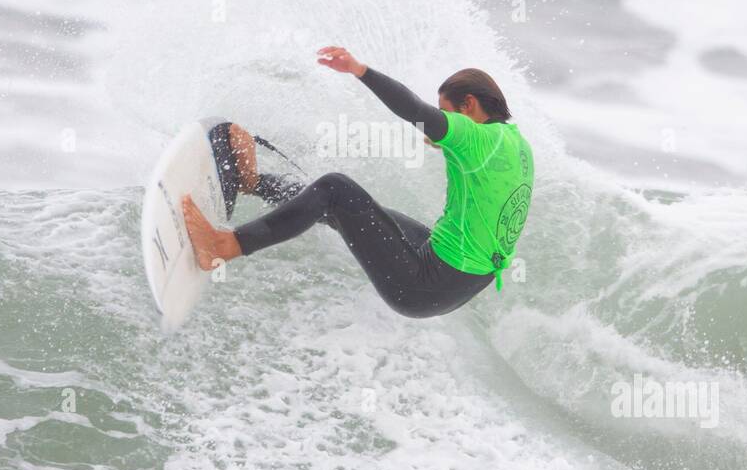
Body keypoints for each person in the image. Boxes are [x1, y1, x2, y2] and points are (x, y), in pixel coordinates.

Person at [181, 46, 534, 318]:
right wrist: (446, 141)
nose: (441, 121)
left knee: (335, 189)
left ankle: (226, 247)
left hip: (424, 286)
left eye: (447, 111)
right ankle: (253, 181)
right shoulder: (516, 144)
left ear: (469, 105)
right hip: (461, 279)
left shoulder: (476, 139)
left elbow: (415, 110)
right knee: (357, 211)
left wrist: (359, 70)